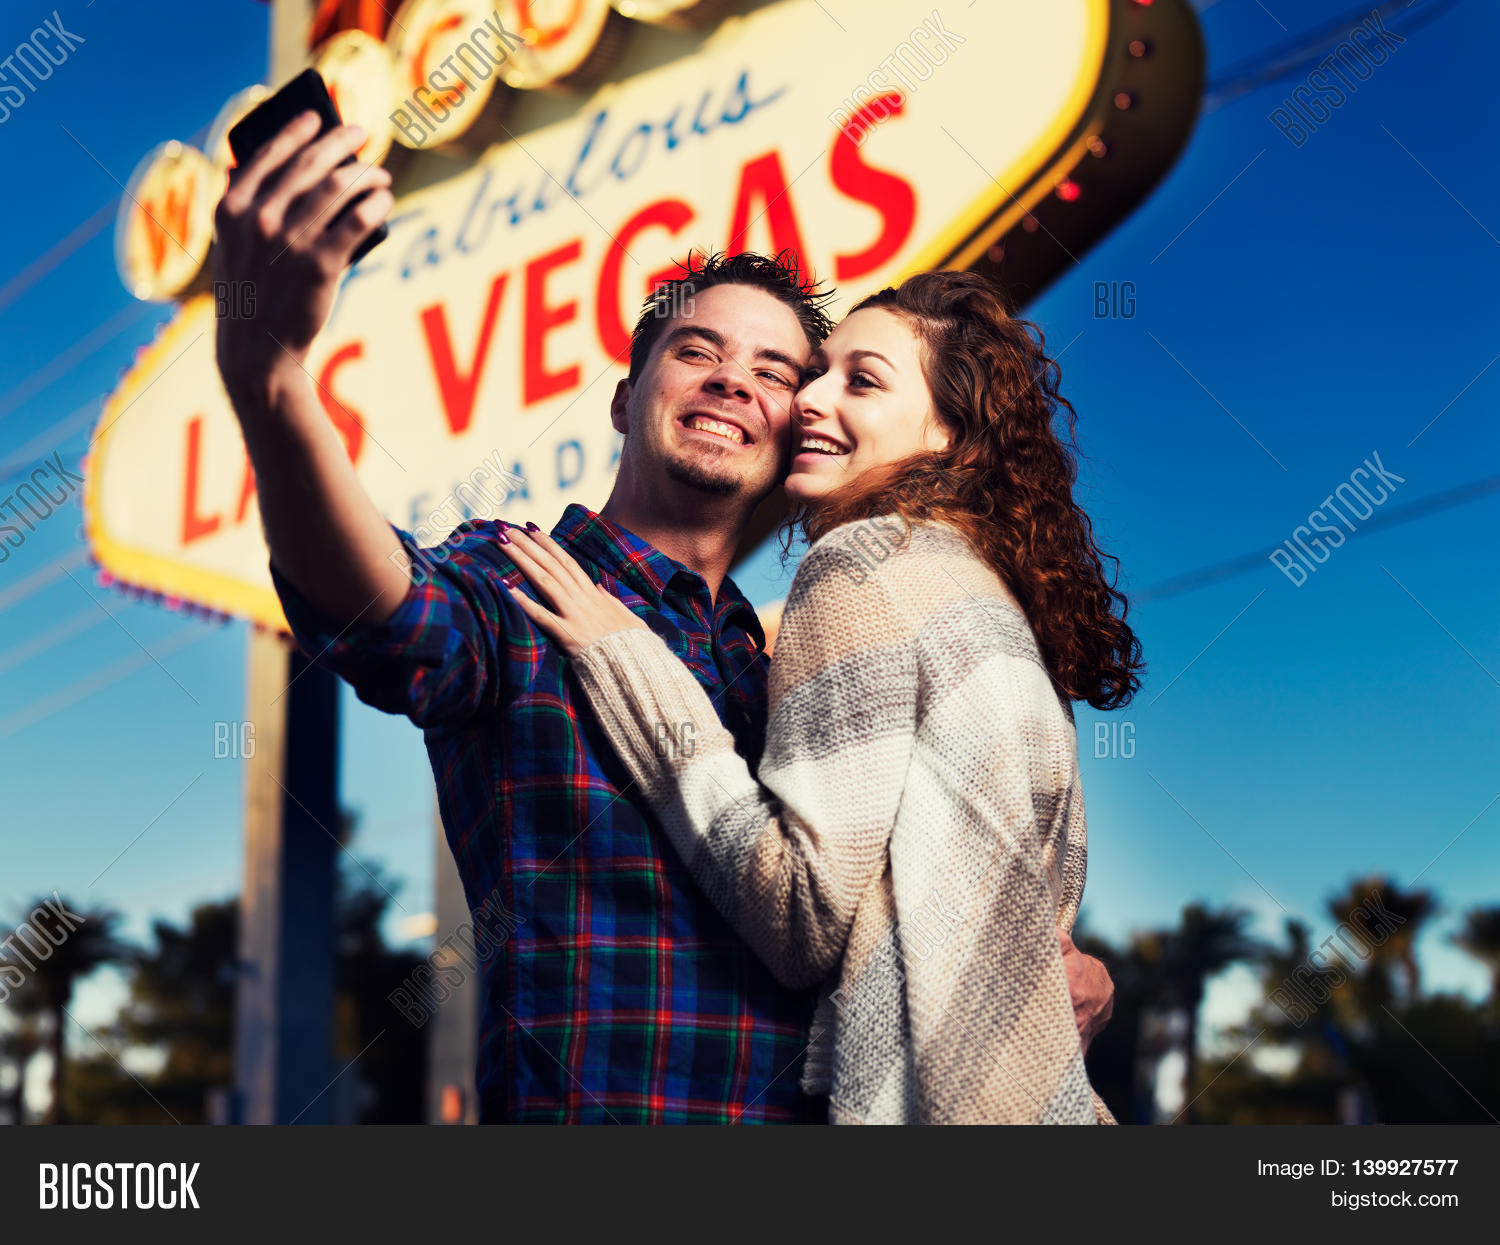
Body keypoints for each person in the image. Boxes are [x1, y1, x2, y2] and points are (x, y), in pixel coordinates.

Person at [211, 109, 1113, 1123]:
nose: (737, 378)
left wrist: (1050, 978)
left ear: (793, 429)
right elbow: (383, 607)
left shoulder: (799, 654)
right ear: (623, 398)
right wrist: (273, 381)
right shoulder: (527, 584)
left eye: (780, 372)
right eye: (696, 350)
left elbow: (921, 895)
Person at [495, 270, 1143, 1123]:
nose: (808, 400)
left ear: (947, 435)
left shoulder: (860, 566)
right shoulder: (992, 606)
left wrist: (630, 661)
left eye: (861, 381)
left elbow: (800, 914)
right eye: (816, 373)